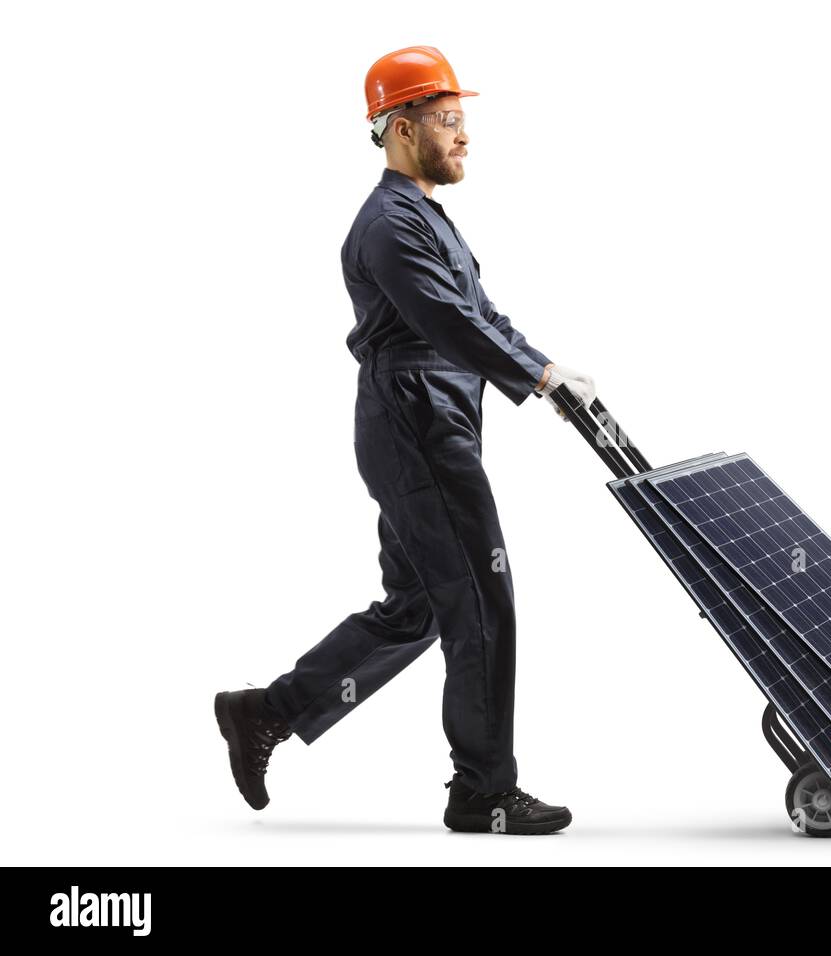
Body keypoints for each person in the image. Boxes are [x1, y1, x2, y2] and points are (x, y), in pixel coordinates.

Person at [214, 46, 593, 835]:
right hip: (415, 419)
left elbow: (483, 314)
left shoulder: (428, 218)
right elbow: (446, 322)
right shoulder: (387, 224)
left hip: (432, 414)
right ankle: (483, 790)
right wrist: (539, 379)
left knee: (419, 606)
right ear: (397, 127)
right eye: (448, 121)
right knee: (482, 601)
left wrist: (547, 371)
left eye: (463, 122)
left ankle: (263, 713)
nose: (464, 137)